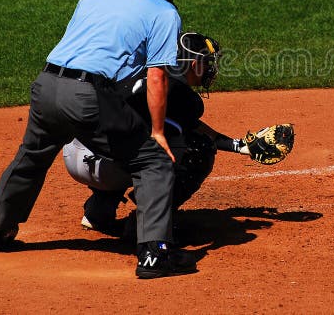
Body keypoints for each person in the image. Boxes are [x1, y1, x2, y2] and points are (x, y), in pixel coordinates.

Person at [0, 0, 192, 279]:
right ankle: (154, 254)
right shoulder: (163, 12)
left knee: (32, 156)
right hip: (87, 96)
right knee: (153, 160)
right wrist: (158, 132)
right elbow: (157, 76)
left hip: (46, 85)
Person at [62, 32, 258, 237]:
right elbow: (194, 131)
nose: (210, 68)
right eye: (207, 62)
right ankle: (146, 223)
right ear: (193, 64)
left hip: (75, 153)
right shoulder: (183, 96)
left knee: (132, 133)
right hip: (107, 169)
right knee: (195, 150)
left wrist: (239, 145)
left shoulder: (135, 67)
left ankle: (99, 210)